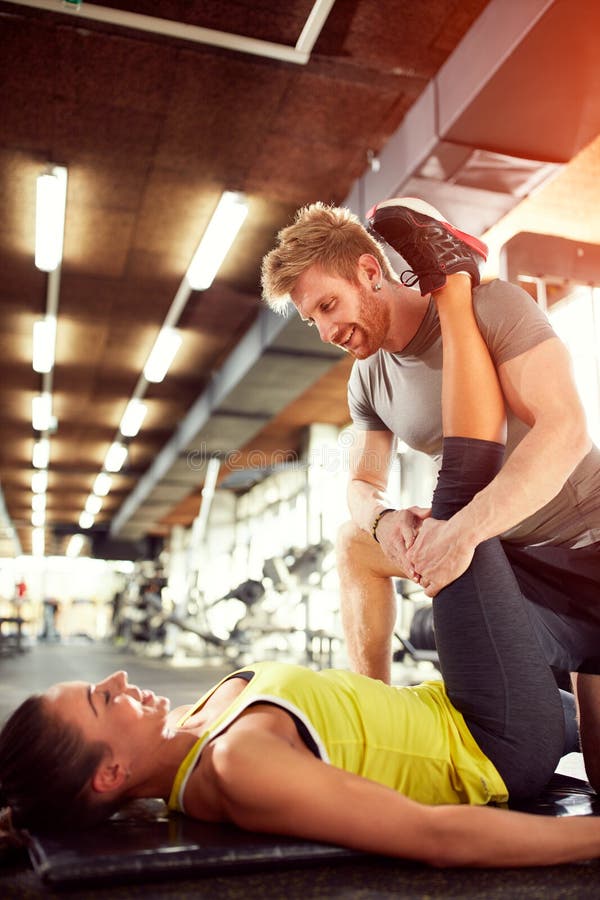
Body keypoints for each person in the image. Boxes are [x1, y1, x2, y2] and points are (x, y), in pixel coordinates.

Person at [0, 275, 597, 868]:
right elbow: (436, 836)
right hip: (494, 742)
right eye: (103, 701)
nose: (116, 678)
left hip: (455, 703)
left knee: (364, 540)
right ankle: (454, 284)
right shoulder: (238, 766)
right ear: (110, 773)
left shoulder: (185, 726)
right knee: (458, 506)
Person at [261, 197, 600, 790]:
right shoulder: (368, 376)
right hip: (503, 557)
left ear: (370, 271)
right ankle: (372, 710)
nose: (327, 332)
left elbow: (567, 429)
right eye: (312, 320)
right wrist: (384, 520)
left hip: (585, 543)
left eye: (328, 305)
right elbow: (362, 482)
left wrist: (463, 532)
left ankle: (566, 709)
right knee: (353, 542)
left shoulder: (494, 306)